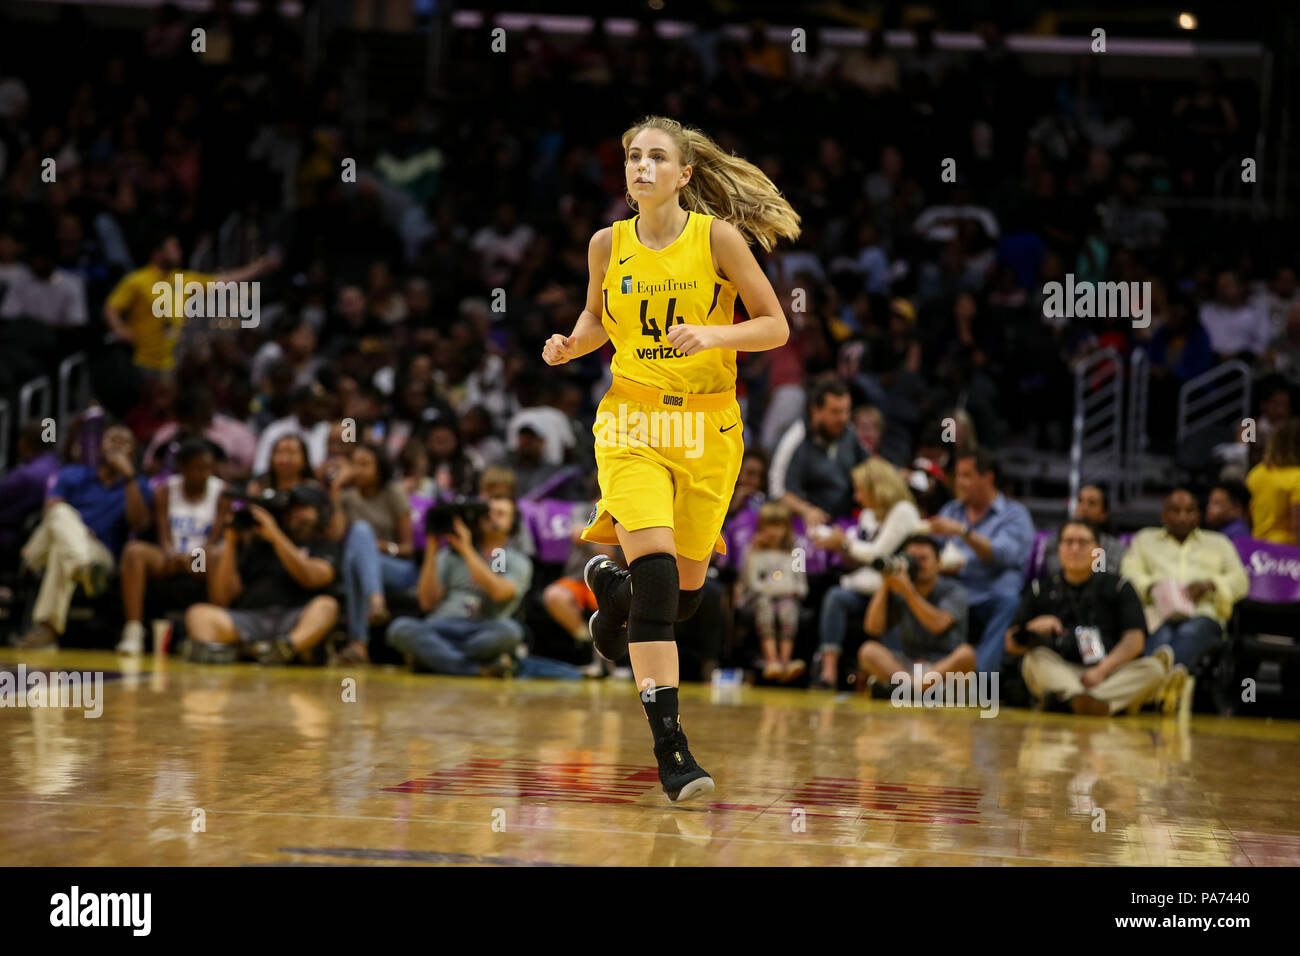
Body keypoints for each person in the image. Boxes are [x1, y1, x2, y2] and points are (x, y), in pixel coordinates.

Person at [542, 115, 799, 802]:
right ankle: (672, 748)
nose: (643, 167)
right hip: (629, 420)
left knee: (683, 600)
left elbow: (774, 324)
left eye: (658, 157)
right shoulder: (607, 244)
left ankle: (612, 592)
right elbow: (598, 319)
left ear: (685, 174)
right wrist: (573, 343)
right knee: (660, 586)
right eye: (633, 157)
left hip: (709, 431)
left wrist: (712, 332)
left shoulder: (717, 238)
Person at [1006, 519, 1181, 715]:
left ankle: (1073, 700)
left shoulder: (1119, 586)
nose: (1074, 548)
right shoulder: (1040, 589)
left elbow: (1135, 641)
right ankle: (1096, 700)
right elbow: (1011, 643)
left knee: (1154, 668)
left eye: (1082, 542)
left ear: (1098, 550)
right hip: (1062, 671)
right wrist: (1032, 627)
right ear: (1059, 549)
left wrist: (1101, 671)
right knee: (1034, 659)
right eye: (1068, 542)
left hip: (1109, 672)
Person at [12, 424, 153, 649]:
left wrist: (129, 477)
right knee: (60, 514)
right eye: (111, 440)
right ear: (98, 449)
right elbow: (50, 512)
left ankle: (46, 631)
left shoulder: (139, 485)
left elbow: (140, 524)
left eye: (123, 442)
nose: (116, 446)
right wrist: (77, 529)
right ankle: (83, 564)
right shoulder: (73, 473)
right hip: (67, 546)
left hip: (101, 551)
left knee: (62, 552)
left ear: (133, 453)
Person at [184, 484, 341, 664]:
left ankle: (284, 648)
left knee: (326, 606)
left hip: (295, 620)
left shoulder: (325, 545)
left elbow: (311, 578)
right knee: (198, 614)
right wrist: (230, 541)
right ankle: (250, 651)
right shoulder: (258, 543)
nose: (294, 514)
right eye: (290, 509)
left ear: (320, 513)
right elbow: (221, 599)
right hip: (251, 619)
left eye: (303, 508)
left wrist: (276, 536)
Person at [385, 496, 533, 676]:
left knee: (511, 633)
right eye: (488, 513)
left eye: (500, 514)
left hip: (484, 628)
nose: (491, 518)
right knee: (400, 628)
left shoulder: (516, 560)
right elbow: (426, 603)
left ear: (513, 523)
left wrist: (467, 550)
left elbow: (499, 593)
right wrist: (431, 547)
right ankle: (475, 669)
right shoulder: (449, 555)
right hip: (441, 626)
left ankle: (434, 658)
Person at [814, 457, 925, 688]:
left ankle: (895, 676)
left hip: (898, 587)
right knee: (836, 597)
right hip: (866, 586)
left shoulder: (903, 511)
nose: (856, 497)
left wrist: (844, 544)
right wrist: (837, 546)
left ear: (877, 488)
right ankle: (828, 673)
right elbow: (859, 560)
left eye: (860, 490)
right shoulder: (868, 515)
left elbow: (878, 554)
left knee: (890, 597)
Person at [103, 230, 276, 373]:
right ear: (159, 253)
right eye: (174, 247)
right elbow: (111, 307)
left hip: (172, 364)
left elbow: (222, 280)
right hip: (142, 362)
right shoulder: (137, 280)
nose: (179, 251)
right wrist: (120, 329)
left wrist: (258, 268)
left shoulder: (183, 280)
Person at [926, 448, 1035, 674]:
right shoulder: (951, 510)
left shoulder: (1014, 514)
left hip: (992, 592)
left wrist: (962, 532)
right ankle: (911, 669)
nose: (959, 482)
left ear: (988, 478)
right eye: (957, 476)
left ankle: (980, 678)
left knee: (1010, 601)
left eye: (967, 475)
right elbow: (931, 550)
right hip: (955, 588)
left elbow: (1004, 554)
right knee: (905, 585)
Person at [1120, 488, 1250, 669]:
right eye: (1175, 510)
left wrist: (1211, 585)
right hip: (1157, 614)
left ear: (1199, 515)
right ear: (1163, 515)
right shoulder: (1144, 539)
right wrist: (1153, 587)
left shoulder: (1219, 542)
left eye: (1190, 511)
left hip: (1203, 614)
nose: (1183, 517)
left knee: (1190, 632)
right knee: (1161, 637)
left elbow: (1240, 580)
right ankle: (1173, 685)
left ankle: (1155, 681)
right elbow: (1129, 574)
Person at [117, 439, 224, 654]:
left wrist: (194, 557)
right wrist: (171, 553)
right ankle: (134, 632)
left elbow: (213, 539)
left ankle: (210, 632)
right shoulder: (165, 490)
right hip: (172, 555)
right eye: (198, 468)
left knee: (215, 555)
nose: (204, 474)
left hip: (202, 559)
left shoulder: (221, 492)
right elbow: (163, 533)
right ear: (183, 468)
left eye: (208, 468)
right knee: (134, 551)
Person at [332, 443, 416, 664]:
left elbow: (408, 548)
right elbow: (336, 535)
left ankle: (359, 642)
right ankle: (375, 603)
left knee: (361, 533)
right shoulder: (347, 496)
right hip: (359, 564)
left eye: (365, 464)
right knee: (356, 550)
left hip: (397, 566)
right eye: (354, 464)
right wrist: (336, 489)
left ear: (380, 468)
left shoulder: (393, 492)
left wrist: (375, 546)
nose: (358, 470)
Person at [860, 535, 973, 694]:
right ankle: (917, 688)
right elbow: (873, 628)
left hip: (943, 666)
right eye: (911, 559)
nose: (916, 565)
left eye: (923, 559)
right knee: (868, 651)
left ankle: (906, 689)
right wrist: (886, 583)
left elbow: (937, 625)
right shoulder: (899, 589)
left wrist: (908, 592)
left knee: (966, 655)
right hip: (908, 666)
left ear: (938, 562)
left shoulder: (955, 590)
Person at [776, 377, 868, 527]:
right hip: (803, 524)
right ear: (815, 410)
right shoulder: (795, 438)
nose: (843, 418)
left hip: (845, 522)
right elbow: (778, 492)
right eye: (835, 412)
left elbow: (870, 467)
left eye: (846, 411)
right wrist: (806, 510)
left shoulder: (849, 432)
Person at [738, 502, 808, 682]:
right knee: (765, 608)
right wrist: (752, 554)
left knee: (787, 610)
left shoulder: (796, 554)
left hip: (786, 599)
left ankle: (785, 662)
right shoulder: (752, 552)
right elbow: (752, 584)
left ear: (787, 528)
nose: (773, 531)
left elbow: (801, 586)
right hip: (760, 599)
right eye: (769, 525)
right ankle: (772, 660)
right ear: (761, 527)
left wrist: (784, 590)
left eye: (779, 526)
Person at [0, 420, 60, 567]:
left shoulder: (23, 475)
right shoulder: (58, 465)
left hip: (13, 538)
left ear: (25, 442)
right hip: (38, 535)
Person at [1039, 483, 1126, 579]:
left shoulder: (1115, 547)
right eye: (1080, 501)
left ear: (1104, 514)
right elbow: (1056, 572)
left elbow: (1107, 579)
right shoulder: (1056, 541)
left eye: (1091, 503)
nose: (1083, 507)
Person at [1245, 420, 1300, 545]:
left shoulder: (1256, 472)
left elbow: (1246, 518)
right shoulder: (1297, 477)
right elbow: (1298, 527)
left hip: (1257, 547)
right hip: (1286, 552)